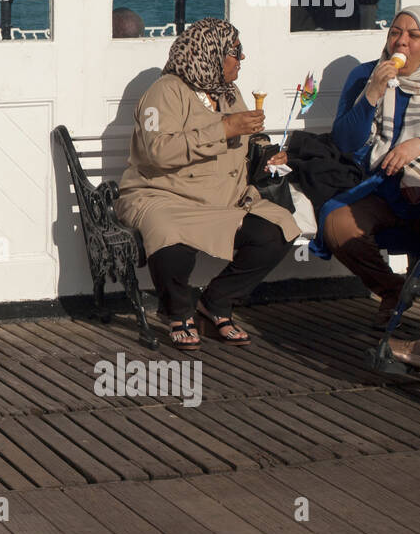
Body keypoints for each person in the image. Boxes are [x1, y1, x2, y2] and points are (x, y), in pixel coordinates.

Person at [113, 19, 299, 349]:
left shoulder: (229, 92)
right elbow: (157, 150)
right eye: (236, 52)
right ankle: (178, 312)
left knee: (277, 230)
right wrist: (223, 129)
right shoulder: (165, 91)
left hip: (225, 198)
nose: (242, 59)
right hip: (165, 194)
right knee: (169, 234)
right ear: (210, 53)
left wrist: (266, 152)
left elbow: (243, 140)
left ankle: (214, 303)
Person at [319, 6, 420, 326]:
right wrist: (372, 94)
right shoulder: (366, 76)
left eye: (413, 35)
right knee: (337, 224)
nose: (401, 42)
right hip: (382, 186)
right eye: (395, 33)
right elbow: (345, 140)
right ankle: (393, 290)